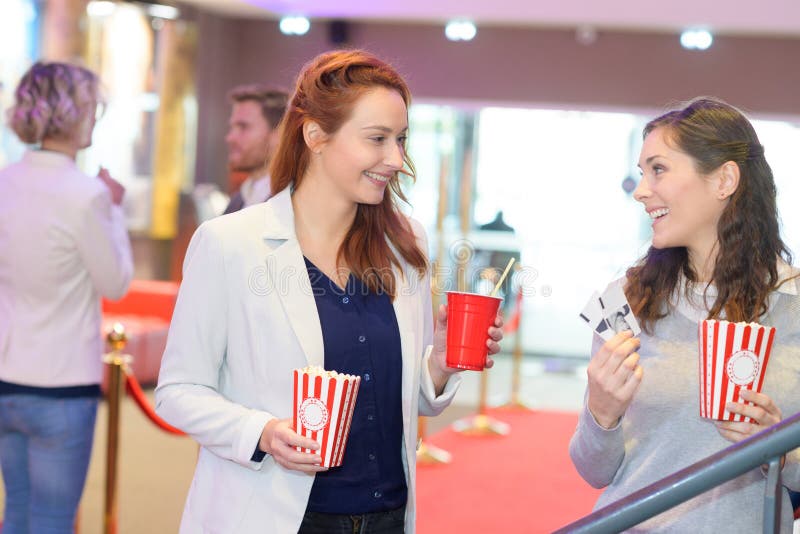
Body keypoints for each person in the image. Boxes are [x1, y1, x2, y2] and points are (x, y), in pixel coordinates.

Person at [155, 49, 504, 534]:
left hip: (386, 514)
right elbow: (178, 390)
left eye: (401, 140)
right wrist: (264, 433)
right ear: (315, 135)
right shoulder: (230, 244)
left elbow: (409, 398)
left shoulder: (404, 244)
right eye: (377, 139)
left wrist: (440, 363)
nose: (396, 159)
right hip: (274, 514)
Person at [569, 97, 800, 531]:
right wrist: (601, 412)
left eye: (658, 169)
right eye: (642, 173)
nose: (640, 190)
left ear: (724, 179)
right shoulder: (622, 301)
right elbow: (593, 470)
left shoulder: (794, 304)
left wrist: (781, 450)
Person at [0, 61, 133, 532]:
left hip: (6, 375)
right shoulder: (86, 195)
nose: (94, 117)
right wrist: (114, 207)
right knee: (54, 519)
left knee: (15, 511)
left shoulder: (5, 182)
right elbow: (115, 283)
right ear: (73, 112)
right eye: (92, 108)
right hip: (60, 383)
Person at [222, 84, 288, 214]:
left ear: (278, 134)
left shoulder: (292, 205)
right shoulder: (237, 201)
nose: (230, 138)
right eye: (232, 127)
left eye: (243, 127)